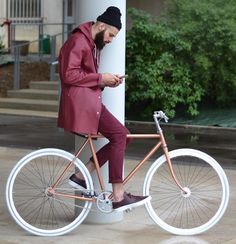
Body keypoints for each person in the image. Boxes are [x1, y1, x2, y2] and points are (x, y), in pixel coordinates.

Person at [58, 6, 151, 212]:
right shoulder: (79, 41)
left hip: (89, 102)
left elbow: (83, 77)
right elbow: (68, 75)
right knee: (120, 136)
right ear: (101, 25)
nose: (110, 40)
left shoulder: (91, 44)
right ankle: (118, 195)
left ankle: (82, 175)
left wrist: (106, 81)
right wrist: (101, 78)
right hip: (82, 104)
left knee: (123, 136)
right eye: (110, 34)